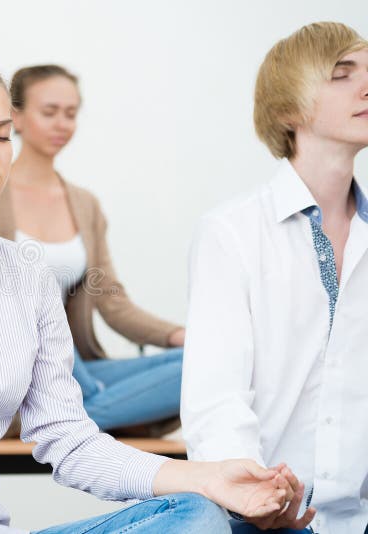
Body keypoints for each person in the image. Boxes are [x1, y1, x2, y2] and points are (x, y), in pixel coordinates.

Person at [0, 53, 294, 534]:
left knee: (201, 515)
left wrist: (207, 478)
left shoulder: (28, 275)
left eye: (1, 134)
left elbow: (68, 438)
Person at [181, 22, 368, 533]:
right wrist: (258, 499)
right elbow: (215, 401)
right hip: (261, 520)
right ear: (289, 110)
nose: (366, 86)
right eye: (341, 74)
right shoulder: (231, 232)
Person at [0, 64, 184, 434]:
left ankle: (62, 419)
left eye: (71, 113)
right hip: (18, 372)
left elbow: (110, 299)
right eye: (49, 112)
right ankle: (65, 414)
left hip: (73, 369)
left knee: (198, 363)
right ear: (16, 116)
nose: (62, 123)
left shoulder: (84, 204)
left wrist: (179, 335)